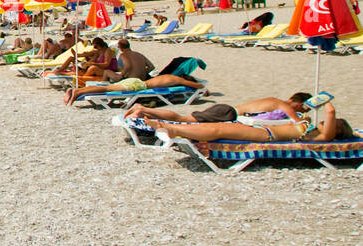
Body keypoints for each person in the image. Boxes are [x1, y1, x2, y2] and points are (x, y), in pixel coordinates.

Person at [146, 102, 350, 144]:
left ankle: (172, 129)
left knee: (218, 129)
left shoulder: (323, 136)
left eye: (333, 123)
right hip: (260, 129)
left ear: (337, 129)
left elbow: (331, 112)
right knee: (219, 128)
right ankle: (175, 130)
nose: (325, 120)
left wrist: (326, 102)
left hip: (267, 135)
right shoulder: (309, 127)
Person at [125, 93, 312, 125]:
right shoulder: (286, 106)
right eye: (303, 107)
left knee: (184, 118)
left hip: (227, 109)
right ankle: (143, 109)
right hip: (227, 114)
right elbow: (297, 123)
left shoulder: (274, 100)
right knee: (182, 119)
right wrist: (305, 119)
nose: (302, 111)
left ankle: (145, 110)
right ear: (298, 102)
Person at [63, 72, 202, 106]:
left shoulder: (169, 76)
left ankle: (78, 90)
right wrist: (203, 89)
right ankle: (78, 91)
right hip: (139, 86)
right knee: (107, 89)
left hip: (137, 80)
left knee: (107, 87)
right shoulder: (178, 80)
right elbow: (198, 86)